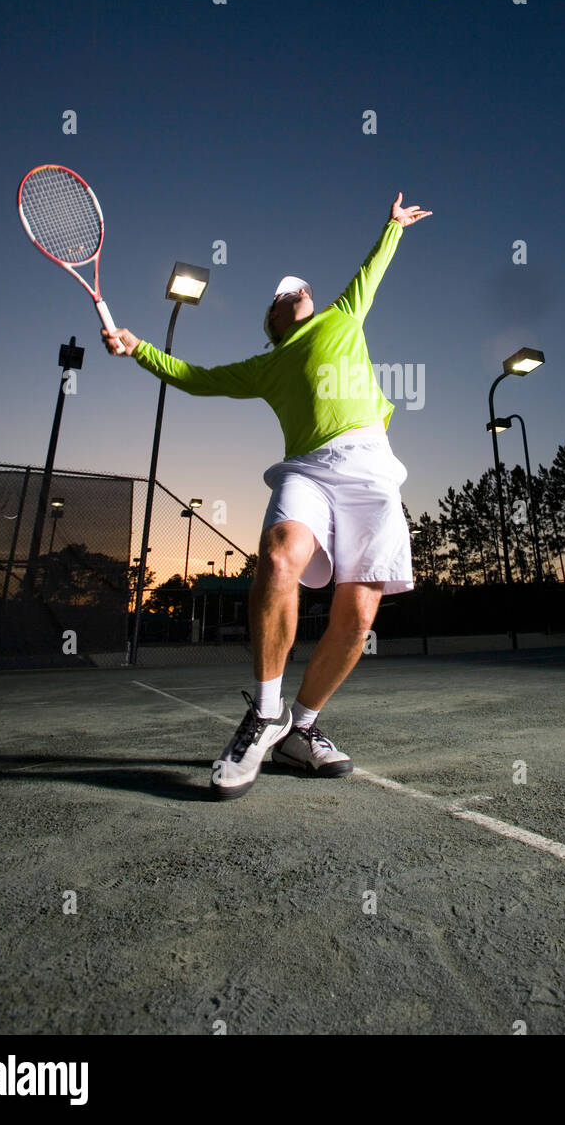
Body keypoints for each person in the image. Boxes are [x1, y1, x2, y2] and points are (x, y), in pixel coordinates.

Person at [102, 191, 432, 799]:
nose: (292, 293)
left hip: (373, 473)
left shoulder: (341, 317)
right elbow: (196, 379)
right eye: (280, 297)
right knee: (280, 557)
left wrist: (392, 226)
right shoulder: (265, 364)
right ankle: (265, 712)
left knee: (358, 617)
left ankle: (301, 731)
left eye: (296, 289)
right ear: (273, 324)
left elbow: (373, 269)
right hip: (307, 469)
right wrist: (138, 348)